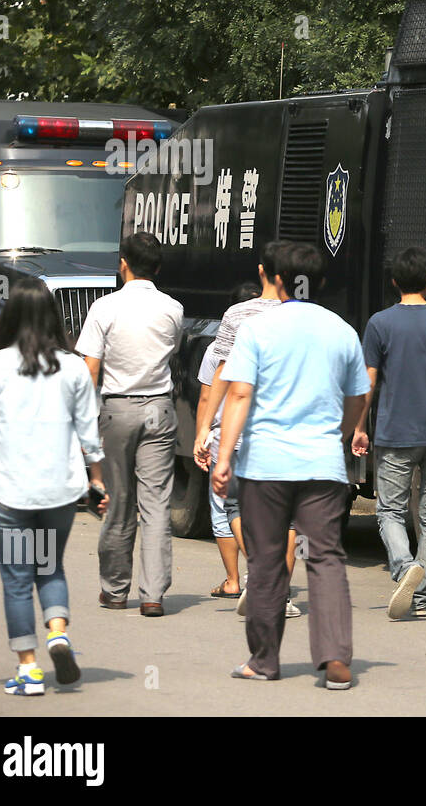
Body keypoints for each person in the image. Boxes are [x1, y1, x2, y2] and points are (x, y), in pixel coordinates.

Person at [212, 242, 370, 688]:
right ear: (317, 282)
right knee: (326, 557)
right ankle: (336, 659)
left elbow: (239, 394)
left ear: (277, 280)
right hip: (322, 465)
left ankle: (264, 660)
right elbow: (359, 397)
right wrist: (337, 436)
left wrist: (224, 457)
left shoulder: (257, 330)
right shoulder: (342, 330)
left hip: (266, 465)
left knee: (266, 561)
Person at [0, 278, 108, 695]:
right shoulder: (73, 366)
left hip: (10, 491)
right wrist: (96, 480)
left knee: (18, 578)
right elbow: (88, 433)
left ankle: (29, 670)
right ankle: (58, 632)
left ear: (11, 316)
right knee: (50, 565)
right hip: (60, 489)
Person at [353, 246, 426, 620]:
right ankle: (422, 598)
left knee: (389, 509)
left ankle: (405, 569)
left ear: (393, 282)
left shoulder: (379, 323)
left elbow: (368, 382)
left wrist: (358, 426)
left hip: (395, 431)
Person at [76, 231, 183, 618]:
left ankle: (116, 589)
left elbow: (90, 369)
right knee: (156, 505)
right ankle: (153, 595)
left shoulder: (104, 308)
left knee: (120, 503)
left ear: (123, 264)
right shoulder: (173, 308)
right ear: (156, 267)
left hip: (117, 409)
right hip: (159, 407)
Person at [193, 248, 301, 619]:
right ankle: (281, 594)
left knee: (236, 504)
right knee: (286, 516)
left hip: (240, 431)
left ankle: (262, 579)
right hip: (287, 431)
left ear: (262, 271)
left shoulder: (237, 315)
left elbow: (221, 372)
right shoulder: (306, 317)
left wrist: (205, 428)